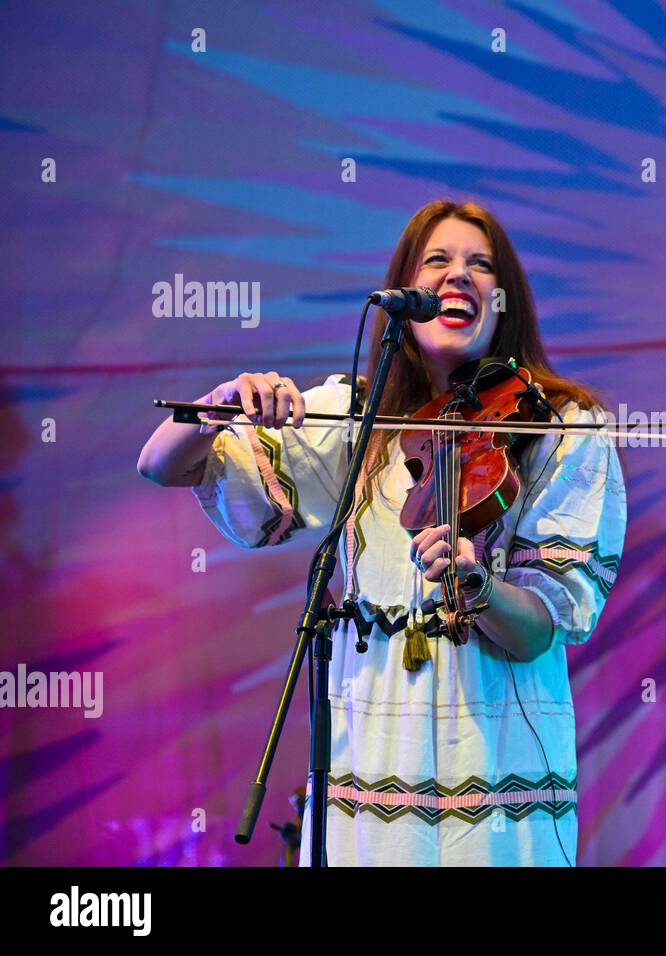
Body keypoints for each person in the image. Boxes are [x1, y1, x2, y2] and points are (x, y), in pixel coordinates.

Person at [137, 199, 628, 866]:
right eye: (438, 261)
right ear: (403, 292)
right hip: (365, 774)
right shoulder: (359, 420)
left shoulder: (558, 427)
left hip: (496, 770)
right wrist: (222, 402)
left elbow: (541, 623)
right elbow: (160, 464)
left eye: (481, 266)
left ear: (503, 302)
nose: (460, 276)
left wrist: (477, 586)